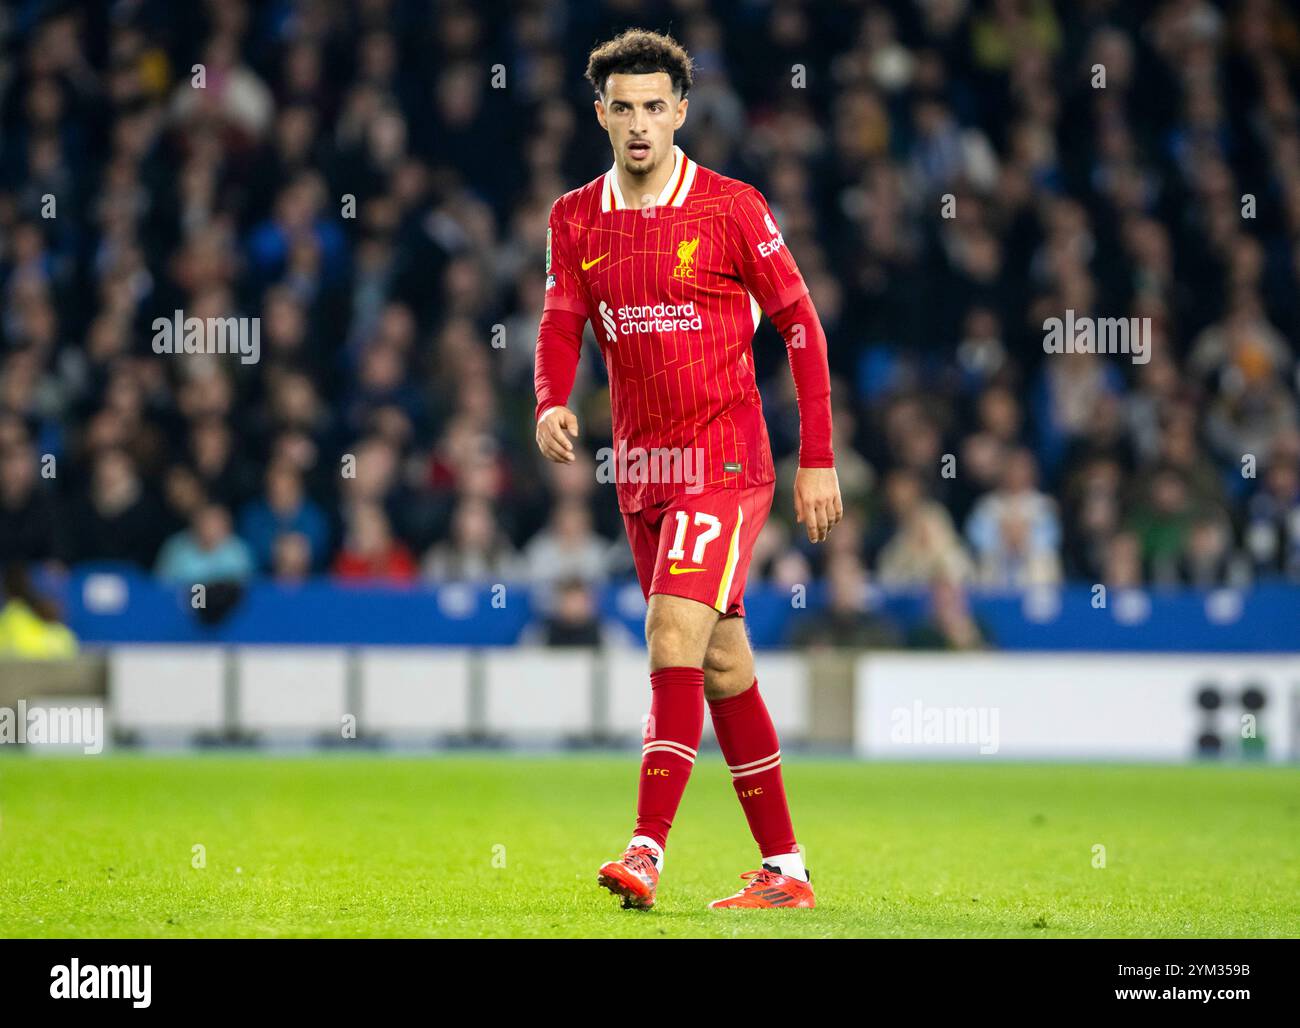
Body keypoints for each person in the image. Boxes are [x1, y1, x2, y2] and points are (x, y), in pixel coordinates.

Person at [533, 30, 841, 911]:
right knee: (722, 663)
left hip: (725, 459)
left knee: (671, 634)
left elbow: (803, 329)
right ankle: (785, 867)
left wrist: (814, 459)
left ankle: (645, 851)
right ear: (600, 114)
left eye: (654, 107)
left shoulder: (732, 208)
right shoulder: (574, 217)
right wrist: (554, 398)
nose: (638, 124)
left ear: (681, 112)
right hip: (641, 469)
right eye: (621, 108)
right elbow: (561, 321)